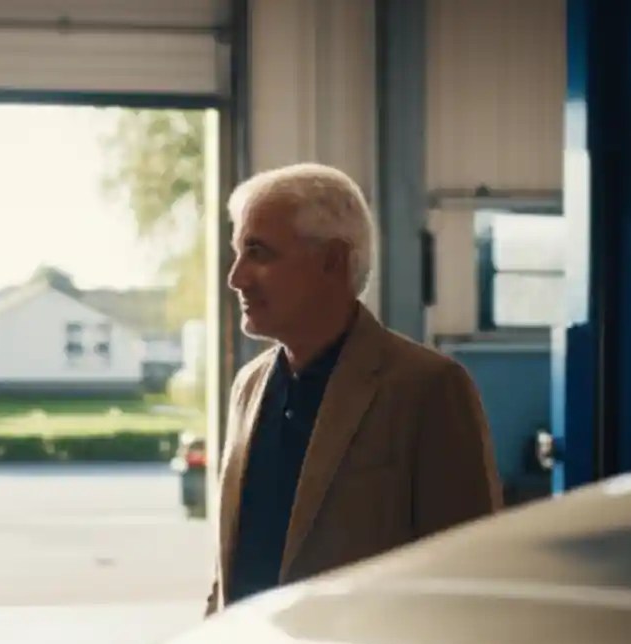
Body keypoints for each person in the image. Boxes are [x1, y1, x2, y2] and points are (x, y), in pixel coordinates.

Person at [206, 163, 502, 614]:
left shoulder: (427, 388)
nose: (236, 277)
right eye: (237, 252)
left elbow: (467, 576)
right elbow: (232, 565)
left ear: (333, 261)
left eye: (258, 253)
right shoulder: (249, 387)